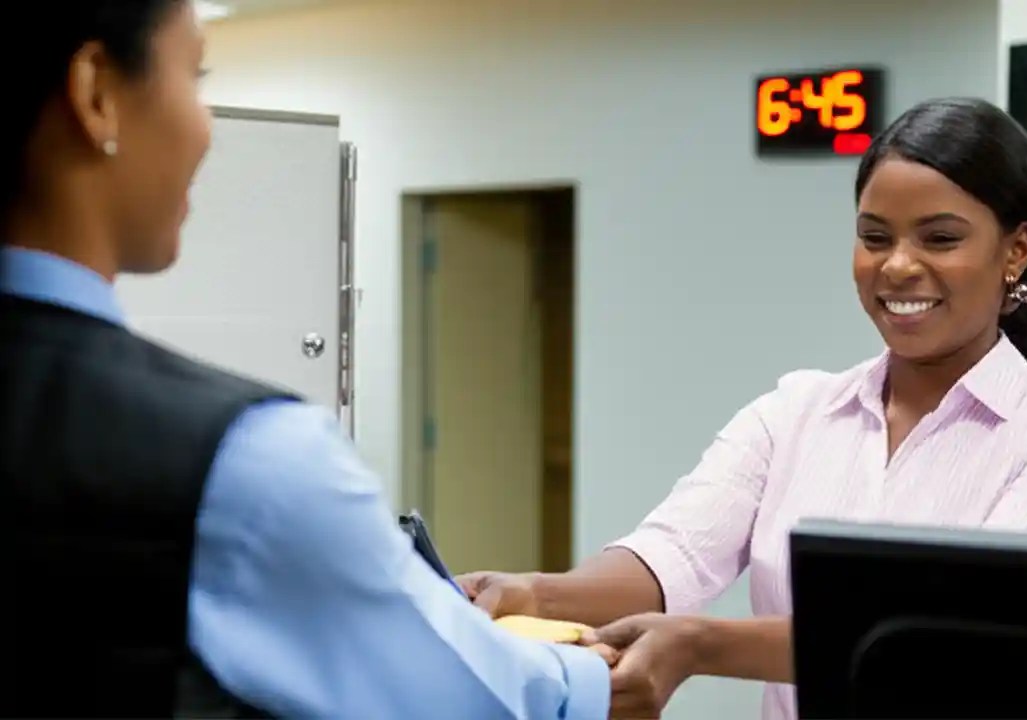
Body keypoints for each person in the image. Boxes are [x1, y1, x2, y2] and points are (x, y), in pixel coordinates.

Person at [0, 2, 612, 717]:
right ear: (97, 93)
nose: (206, 128)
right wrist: (592, 681)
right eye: (195, 76)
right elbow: (467, 696)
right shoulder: (245, 461)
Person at [457, 97, 1027, 720]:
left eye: (939, 239)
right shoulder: (795, 412)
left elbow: (953, 632)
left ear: (1016, 250)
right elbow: (673, 555)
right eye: (875, 237)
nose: (897, 266)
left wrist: (698, 644)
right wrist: (533, 594)